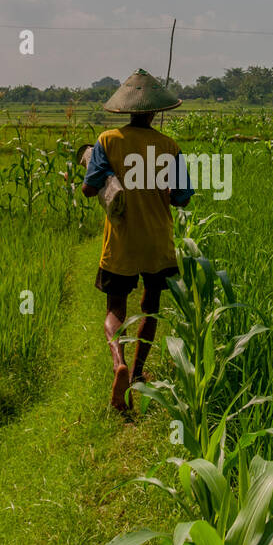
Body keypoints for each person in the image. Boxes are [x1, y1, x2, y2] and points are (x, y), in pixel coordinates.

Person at [81, 69, 193, 415]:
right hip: (157, 242)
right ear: (155, 112)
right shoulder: (169, 147)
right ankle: (139, 369)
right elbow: (182, 199)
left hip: (121, 243)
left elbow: (88, 188)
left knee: (115, 308)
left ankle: (119, 362)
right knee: (151, 306)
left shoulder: (108, 140)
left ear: (126, 109)